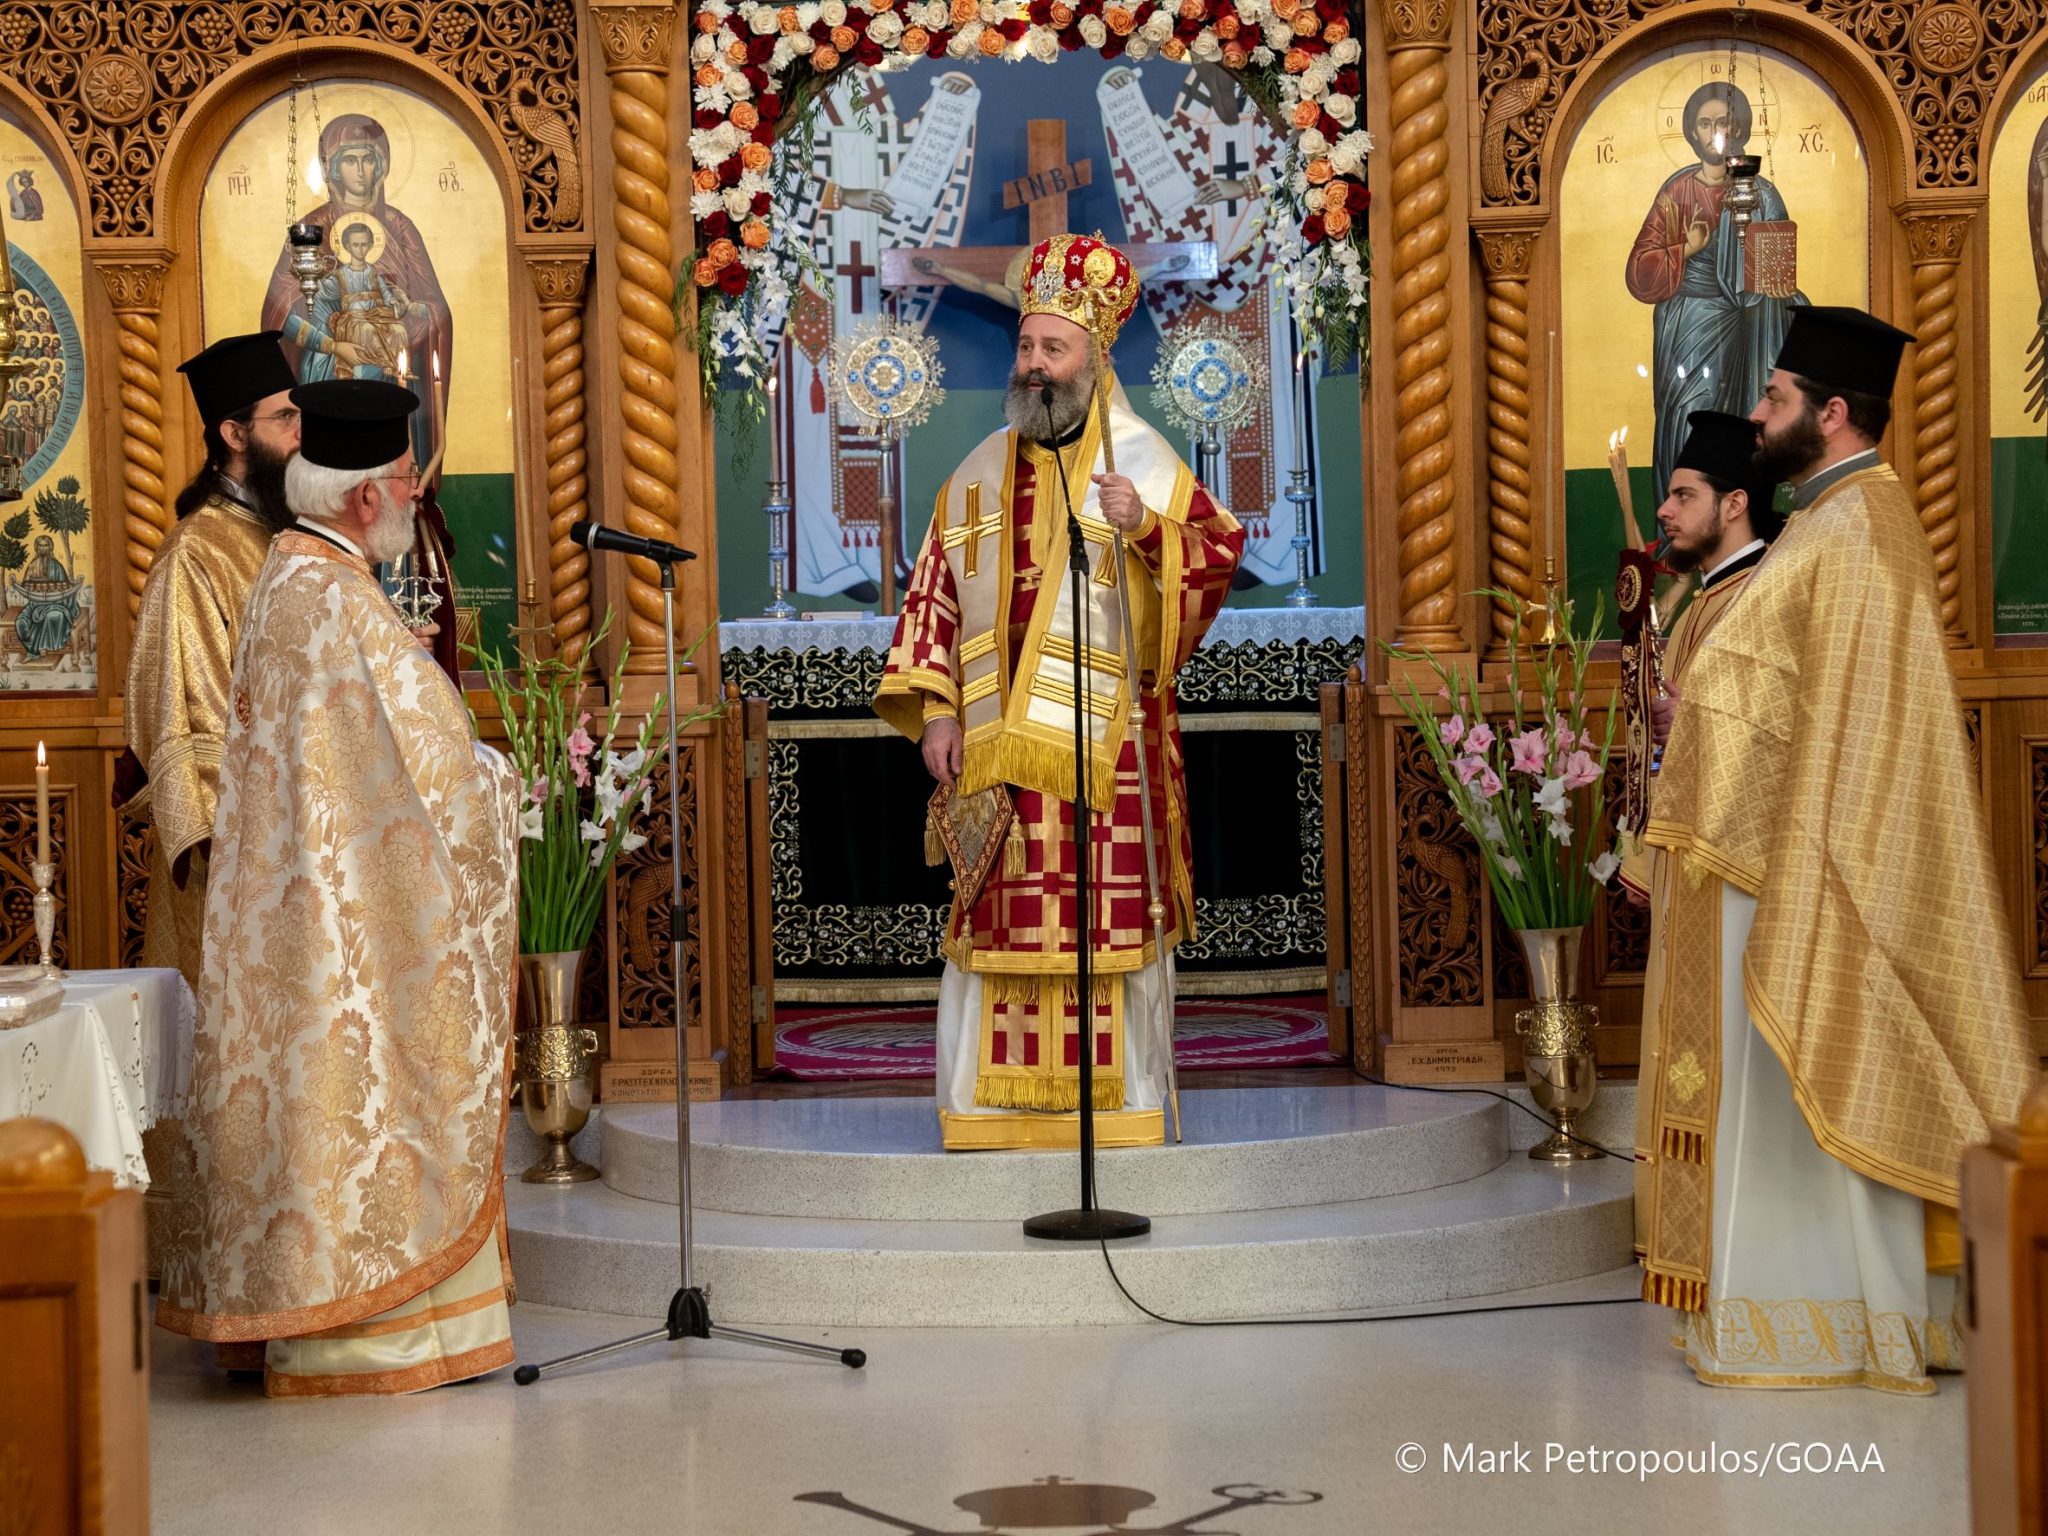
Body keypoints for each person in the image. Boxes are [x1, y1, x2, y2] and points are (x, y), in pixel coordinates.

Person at [1637, 305, 2039, 1391]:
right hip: (1768, 849)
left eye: (1773, 399)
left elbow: (1856, 731)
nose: (1758, 415)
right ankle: (1796, 1306)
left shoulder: (1858, 528)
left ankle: (1819, 1317)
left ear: (1831, 412)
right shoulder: (1829, 518)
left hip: (1808, 859)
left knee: (1802, 1085)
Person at [155, 378, 522, 1396]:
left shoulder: (289, 573)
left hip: (306, 917)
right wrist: (501, 783)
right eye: (406, 480)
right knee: (371, 1105)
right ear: (368, 495)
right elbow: (435, 774)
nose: (415, 497)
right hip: (344, 924)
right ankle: (377, 1333)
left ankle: (299, 1318)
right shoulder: (342, 602)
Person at [874, 234, 1244, 1150]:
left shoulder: (1146, 466)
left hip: (1110, 759)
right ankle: (991, 1111)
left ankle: (1117, 1110)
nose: (1034, 366)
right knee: (1000, 925)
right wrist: (938, 711)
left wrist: (1150, 532)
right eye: (1027, 348)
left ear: (1094, 358)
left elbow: (1216, 558)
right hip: (1001, 756)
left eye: (1054, 350)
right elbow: (932, 592)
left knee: (1102, 930)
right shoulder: (975, 472)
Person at [1617, 408, 1779, 1251]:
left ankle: (1722, 1239)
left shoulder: (1764, 595)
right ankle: (1677, 1233)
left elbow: (1774, 730)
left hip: (1737, 869)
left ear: (1736, 502)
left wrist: (1692, 717)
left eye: (1682, 496)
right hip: (1689, 860)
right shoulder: (1696, 599)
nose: (1666, 515)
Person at [125, 331, 301, 992]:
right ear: (234, 432)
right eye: (285, 417)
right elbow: (180, 711)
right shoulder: (194, 554)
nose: (301, 432)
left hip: (302, 833)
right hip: (233, 852)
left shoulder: (281, 537)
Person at [1624, 82, 1805, 496]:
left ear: (1738, 129)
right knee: (1688, 413)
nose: (1714, 132)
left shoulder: (1764, 193)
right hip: (1688, 323)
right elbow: (1638, 271)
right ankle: (1679, 530)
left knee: (1743, 417)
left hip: (1748, 324)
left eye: (1723, 122)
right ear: (1692, 132)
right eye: (1705, 124)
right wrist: (1685, 249)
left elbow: (1777, 275)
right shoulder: (1677, 192)